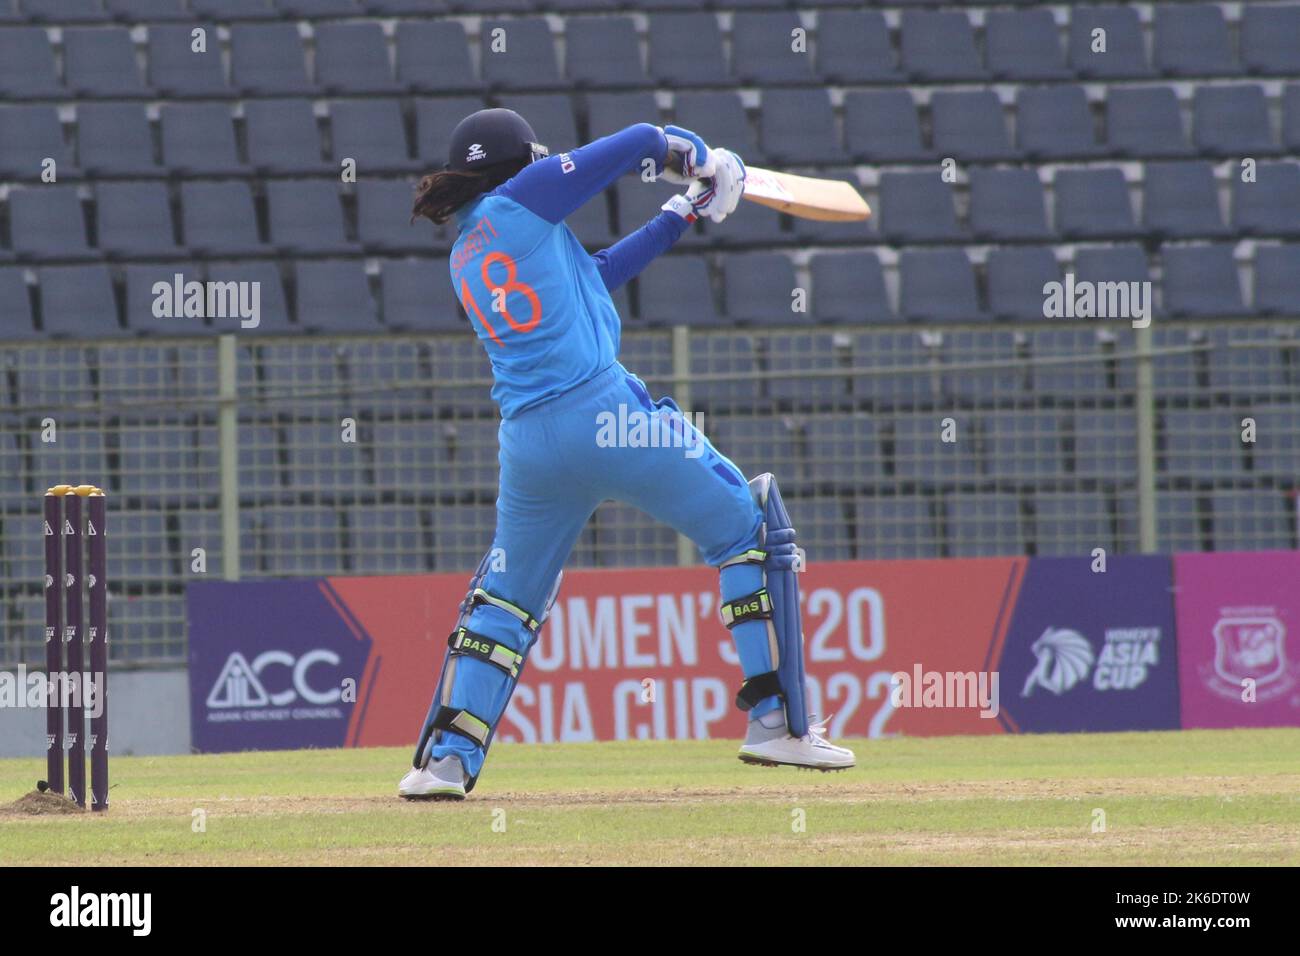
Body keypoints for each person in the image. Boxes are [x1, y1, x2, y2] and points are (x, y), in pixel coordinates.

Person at [399, 108, 854, 800]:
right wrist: (699, 156)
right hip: (604, 416)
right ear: (519, 163)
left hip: (528, 444)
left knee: (507, 597)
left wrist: (682, 211)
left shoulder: (466, 254)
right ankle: (778, 723)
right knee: (748, 526)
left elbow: (597, 276)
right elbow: (641, 141)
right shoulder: (522, 196)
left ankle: (445, 764)